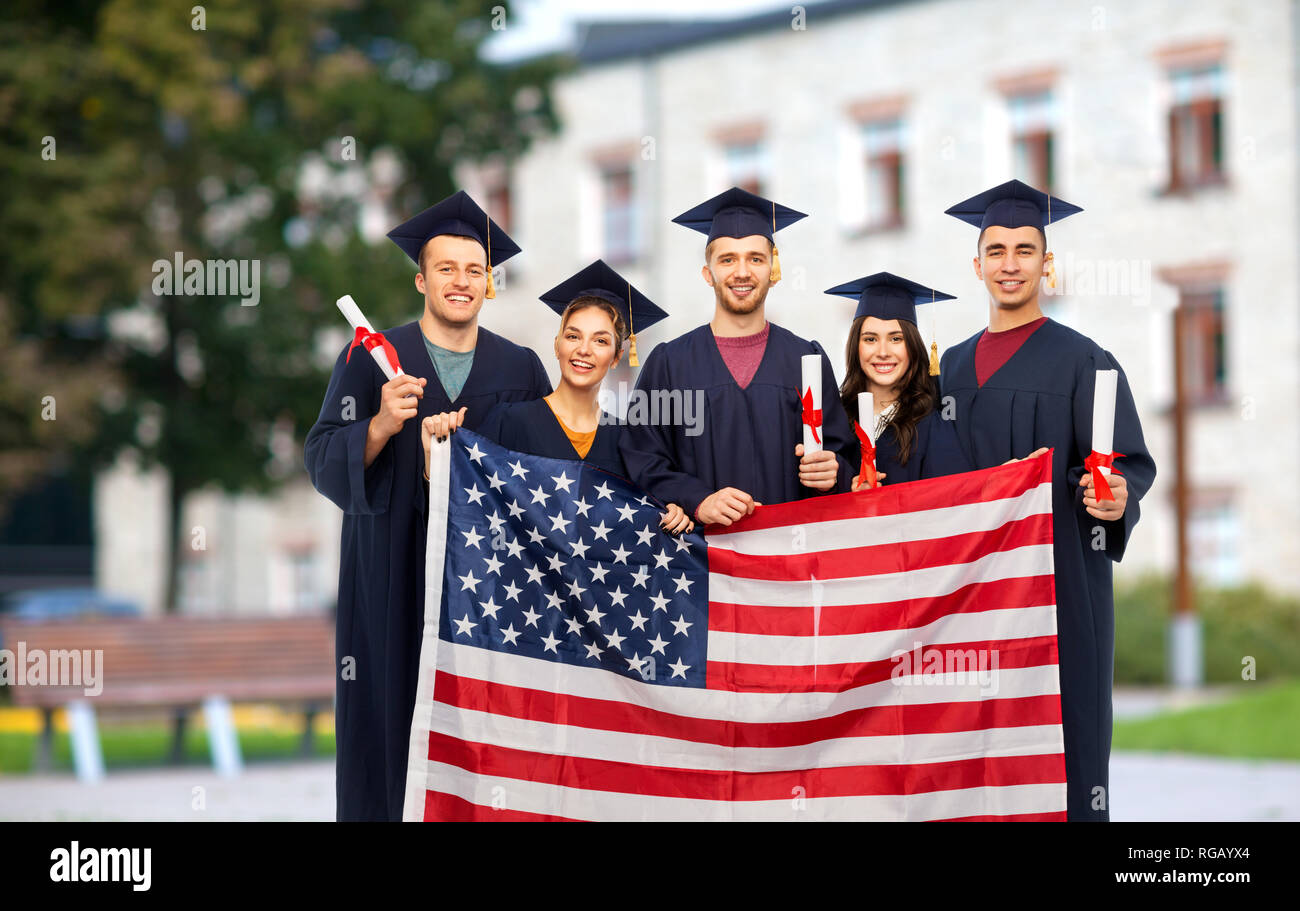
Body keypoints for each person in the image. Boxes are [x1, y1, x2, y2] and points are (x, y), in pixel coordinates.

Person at [304, 190, 551, 821]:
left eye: (475, 271)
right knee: (391, 729)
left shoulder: (520, 367)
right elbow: (322, 458)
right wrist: (383, 425)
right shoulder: (371, 359)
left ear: (489, 284)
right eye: (446, 269)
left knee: (488, 739)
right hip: (392, 580)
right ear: (422, 279)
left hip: (489, 589)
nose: (461, 282)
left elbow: (550, 473)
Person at [940, 179, 1157, 821]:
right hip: (966, 603)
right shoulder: (946, 369)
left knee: (1066, 754)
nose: (1011, 264)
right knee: (965, 758)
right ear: (976, 265)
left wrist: (1116, 500)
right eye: (998, 250)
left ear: (1046, 263)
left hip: (1060, 596)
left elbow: (1126, 467)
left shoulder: (1087, 363)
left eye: (1026, 250)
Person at [619, 187, 856, 527]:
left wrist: (834, 471)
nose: (742, 271)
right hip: (701, 564)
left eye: (755, 258)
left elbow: (844, 457)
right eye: (727, 259)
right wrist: (698, 500)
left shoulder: (807, 359)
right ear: (708, 273)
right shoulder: (669, 364)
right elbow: (642, 459)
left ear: (772, 271)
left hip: (791, 563)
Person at [424, 259, 694, 534]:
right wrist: (432, 458)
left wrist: (673, 513)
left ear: (616, 357)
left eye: (600, 341)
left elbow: (642, 518)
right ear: (557, 345)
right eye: (573, 336)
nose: (584, 350)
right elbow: (466, 501)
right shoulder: (510, 422)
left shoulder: (628, 440)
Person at [826, 272, 971, 486]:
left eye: (896, 338)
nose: (883, 351)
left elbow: (955, 501)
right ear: (856, 347)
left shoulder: (932, 427)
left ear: (912, 347)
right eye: (870, 339)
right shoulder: (833, 422)